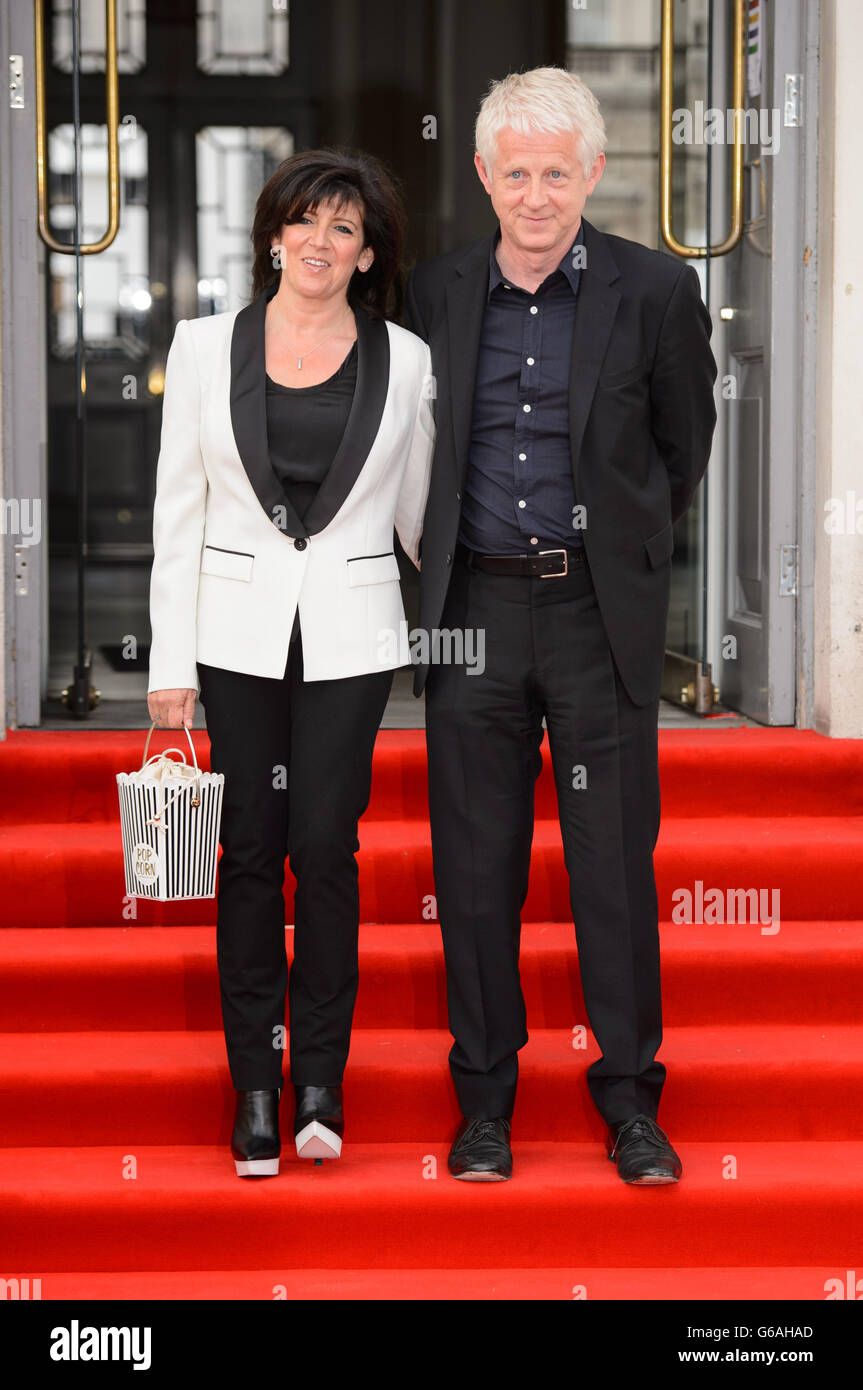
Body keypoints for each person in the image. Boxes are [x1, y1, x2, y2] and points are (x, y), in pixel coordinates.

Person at [404, 67, 717, 1183]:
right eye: (515, 171)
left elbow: (682, 448)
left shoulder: (652, 291)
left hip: (595, 613)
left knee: (611, 868)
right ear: (483, 173)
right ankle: (483, 1102)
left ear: (592, 172)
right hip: (472, 614)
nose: (535, 193)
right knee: (475, 865)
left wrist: (619, 549)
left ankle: (629, 1101)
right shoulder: (432, 293)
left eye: (556, 171)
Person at [147, 148, 434, 1177]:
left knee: (327, 845)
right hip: (232, 635)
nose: (321, 241)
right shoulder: (202, 345)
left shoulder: (404, 359)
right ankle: (254, 1089)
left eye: (343, 228)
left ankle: (321, 1078)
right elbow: (178, 512)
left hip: (350, 640)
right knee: (249, 851)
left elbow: (417, 517)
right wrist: (168, 662)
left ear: (366, 255)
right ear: (273, 234)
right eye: (305, 220)